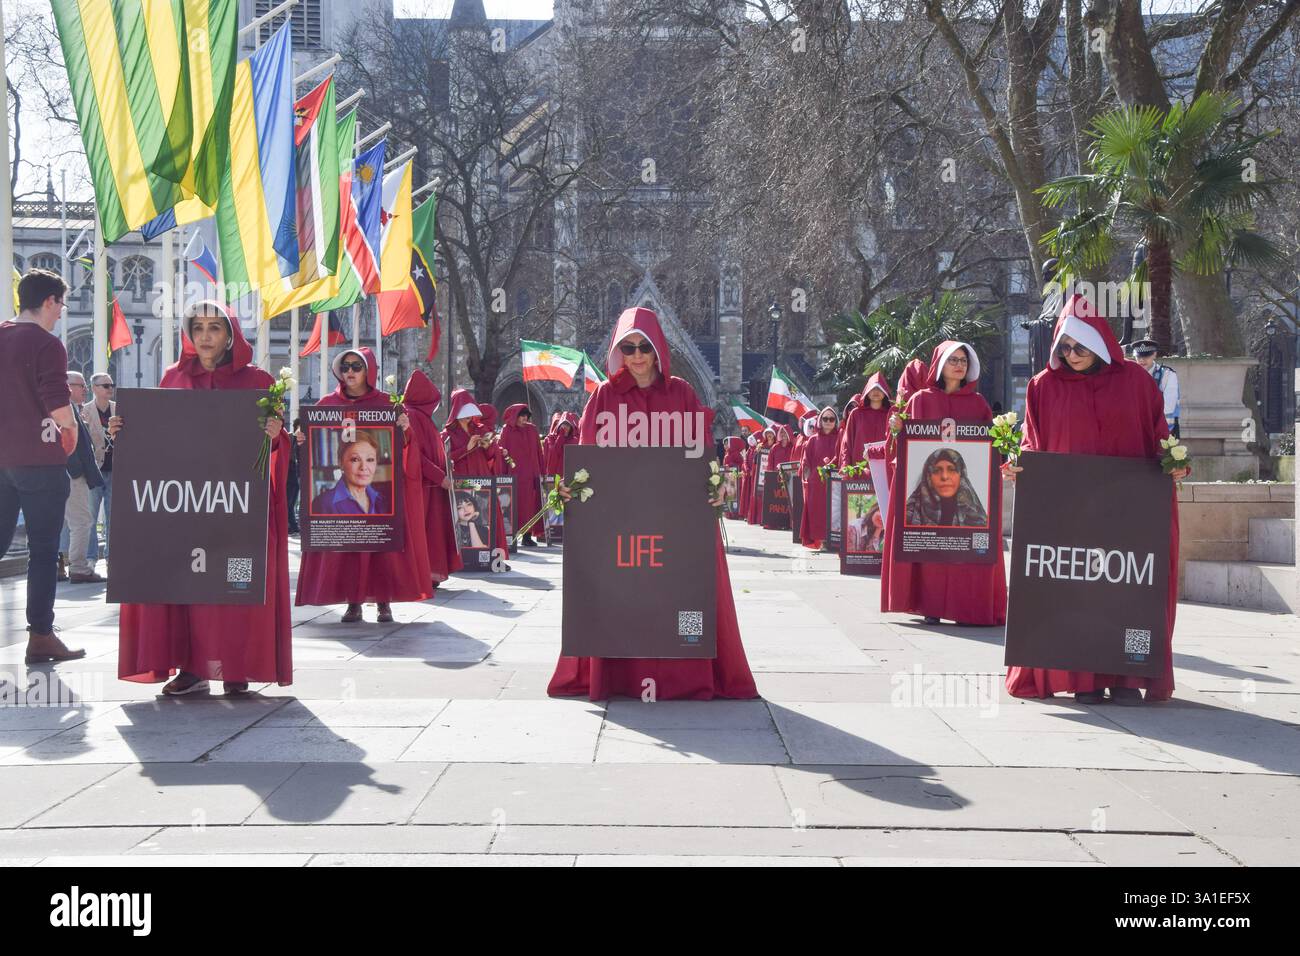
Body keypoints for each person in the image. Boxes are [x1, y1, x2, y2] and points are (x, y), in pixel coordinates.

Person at [547, 306, 757, 700]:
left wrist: (718, 485)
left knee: (682, 596)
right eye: (628, 347)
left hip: (673, 522)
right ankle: (621, 677)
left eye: (644, 346)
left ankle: (684, 676)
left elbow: (701, 459)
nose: (638, 355)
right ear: (618, 352)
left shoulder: (683, 393)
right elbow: (589, 458)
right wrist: (571, 489)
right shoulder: (604, 397)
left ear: (658, 349)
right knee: (622, 592)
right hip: (621, 524)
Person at [1004, 295, 1188, 705]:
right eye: (1065, 347)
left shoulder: (1137, 383)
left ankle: (1124, 676)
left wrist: (1174, 463)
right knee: (1076, 588)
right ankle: (1082, 677)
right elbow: (1033, 442)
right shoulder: (1043, 386)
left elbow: (1158, 434)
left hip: (1128, 512)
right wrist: (1019, 465)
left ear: (1100, 344)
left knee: (1126, 587)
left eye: (1080, 347)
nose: (1071, 355)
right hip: (1070, 514)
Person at [115, 300, 290, 694]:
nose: (206, 335)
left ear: (230, 334)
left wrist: (274, 435)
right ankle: (192, 669)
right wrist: (125, 429)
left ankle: (236, 668)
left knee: (234, 590)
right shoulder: (173, 378)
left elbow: (278, 451)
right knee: (190, 590)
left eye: (215, 327)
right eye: (199, 328)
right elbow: (156, 440)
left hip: (236, 510)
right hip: (187, 508)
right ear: (189, 334)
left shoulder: (257, 381)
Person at [295, 348, 432, 624]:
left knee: (382, 552)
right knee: (348, 554)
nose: (350, 372)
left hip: (382, 505)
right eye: (344, 367)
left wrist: (405, 429)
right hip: (343, 510)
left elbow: (407, 450)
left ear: (368, 370)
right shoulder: (326, 404)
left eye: (356, 366)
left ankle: (384, 603)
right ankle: (353, 603)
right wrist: (301, 439)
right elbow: (308, 445)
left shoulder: (387, 404)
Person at [881, 341, 1006, 627]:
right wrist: (897, 431)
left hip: (962, 497)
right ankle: (931, 605)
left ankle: (967, 607)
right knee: (931, 553)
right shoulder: (920, 400)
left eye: (963, 360)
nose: (959, 365)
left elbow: (989, 449)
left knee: (967, 551)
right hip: (930, 499)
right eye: (953, 360)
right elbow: (903, 450)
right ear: (940, 364)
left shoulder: (978, 404)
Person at [0, 270, 84, 664]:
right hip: (38, 459)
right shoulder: (47, 345)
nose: (61, 313)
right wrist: (69, 432)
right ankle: (41, 635)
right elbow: (57, 402)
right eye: (61, 305)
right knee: (44, 549)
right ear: (50, 301)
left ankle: (41, 636)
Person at [403, 370, 463, 587]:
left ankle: (429, 572)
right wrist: (439, 476)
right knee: (424, 531)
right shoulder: (412, 416)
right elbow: (415, 454)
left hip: (432, 484)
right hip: (424, 485)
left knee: (432, 532)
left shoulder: (421, 417)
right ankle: (422, 573)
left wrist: (445, 466)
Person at [443, 389, 510, 554]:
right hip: (462, 479)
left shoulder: (480, 429)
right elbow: (445, 459)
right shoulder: (447, 434)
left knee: (490, 512)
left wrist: (488, 447)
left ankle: (495, 556)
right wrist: (466, 448)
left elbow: (491, 455)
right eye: (464, 413)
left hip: (483, 477)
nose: (468, 417)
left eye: (469, 412)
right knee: (462, 516)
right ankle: (462, 556)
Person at [60, 371, 105, 583]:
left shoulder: (73, 409)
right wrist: (75, 470)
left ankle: (64, 565)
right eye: (81, 386)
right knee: (82, 521)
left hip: (70, 473)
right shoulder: (65, 409)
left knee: (72, 522)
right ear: (68, 386)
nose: (84, 390)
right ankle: (78, 568)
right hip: (71, 475)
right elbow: (66, 443)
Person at [904, 448, 989, 527]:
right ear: (928, 476)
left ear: (961, 475)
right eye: (936, 470)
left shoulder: (975, 517)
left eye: (952, 469)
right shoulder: (908, 515)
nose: (944, 477)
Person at [499, 403, 546, 545]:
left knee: (529, 507)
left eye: (526, 416)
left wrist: (542, 471)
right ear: (515, 416)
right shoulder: (507, 430)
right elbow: (502, 453)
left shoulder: (532, 430)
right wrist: (502, 474)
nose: (524, 419)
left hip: (531, 474)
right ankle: (510, 537)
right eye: (522, 416)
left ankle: (527, 536)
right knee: (512, 505)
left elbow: (539, 452)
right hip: (514, 475)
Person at [312, 431, 389, 515]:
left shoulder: (382, 501)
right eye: (355, 459)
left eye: (370, 459)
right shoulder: (323, 504)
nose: (363, 467)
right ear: (341, 463)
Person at [83, 372, 116, 563]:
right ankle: (90, 558)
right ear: (95, 389)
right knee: (90, 517)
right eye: (105, 385)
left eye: (111, 385)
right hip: (94, 471)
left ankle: (111, 556)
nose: (110, 388)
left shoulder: (118, 409)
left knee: (112, 517)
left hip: (115, 469)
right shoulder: (85, 412)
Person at [799, 406, 840, 549]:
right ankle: (821, 541)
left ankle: (834, 541)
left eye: (831, 419)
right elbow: (806, 462)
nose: (828, 422)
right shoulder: (812, 440)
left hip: (836, 481)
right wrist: (808, 481)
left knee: (835, 511)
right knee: (818, 512)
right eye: (825, 419)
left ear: (836, 421)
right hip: (816, 483)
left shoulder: (840, 438)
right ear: (820, 421)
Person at [839, 371, 892, 469]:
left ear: (885, 392)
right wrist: (845, 466)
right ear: (867, 392)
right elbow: (847, 443)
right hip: (859, 471)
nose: (876, 392)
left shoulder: (891, 415)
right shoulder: (856, 414)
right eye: (873, 389)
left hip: (884, 469)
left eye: (879, 389)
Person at [1131, 338, 1180, 438]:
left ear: (1154, 354)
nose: (1141, 360)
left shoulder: (1167, 375)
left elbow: (1168, 406)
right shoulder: (1129, 375)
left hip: (1163, 431)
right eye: (1138, 356)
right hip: (1135, 430)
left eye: (1146, 356)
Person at [746, 426, 776, 524]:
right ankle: (759, 518)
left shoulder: (776, 446)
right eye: (767, 433)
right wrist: (757, 452)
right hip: (761, 475)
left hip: (772, 473)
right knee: (760, 496)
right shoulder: (761, 446)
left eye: (771, 433)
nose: (769, 435)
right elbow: (755, 461)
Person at [286, 417, 301, 534]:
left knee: (293, 500)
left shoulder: (302, 439)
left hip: (297, 472)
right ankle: (292, 525)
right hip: (290, 471)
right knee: (289, 501)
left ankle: (293, 525)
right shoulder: (290, 437)